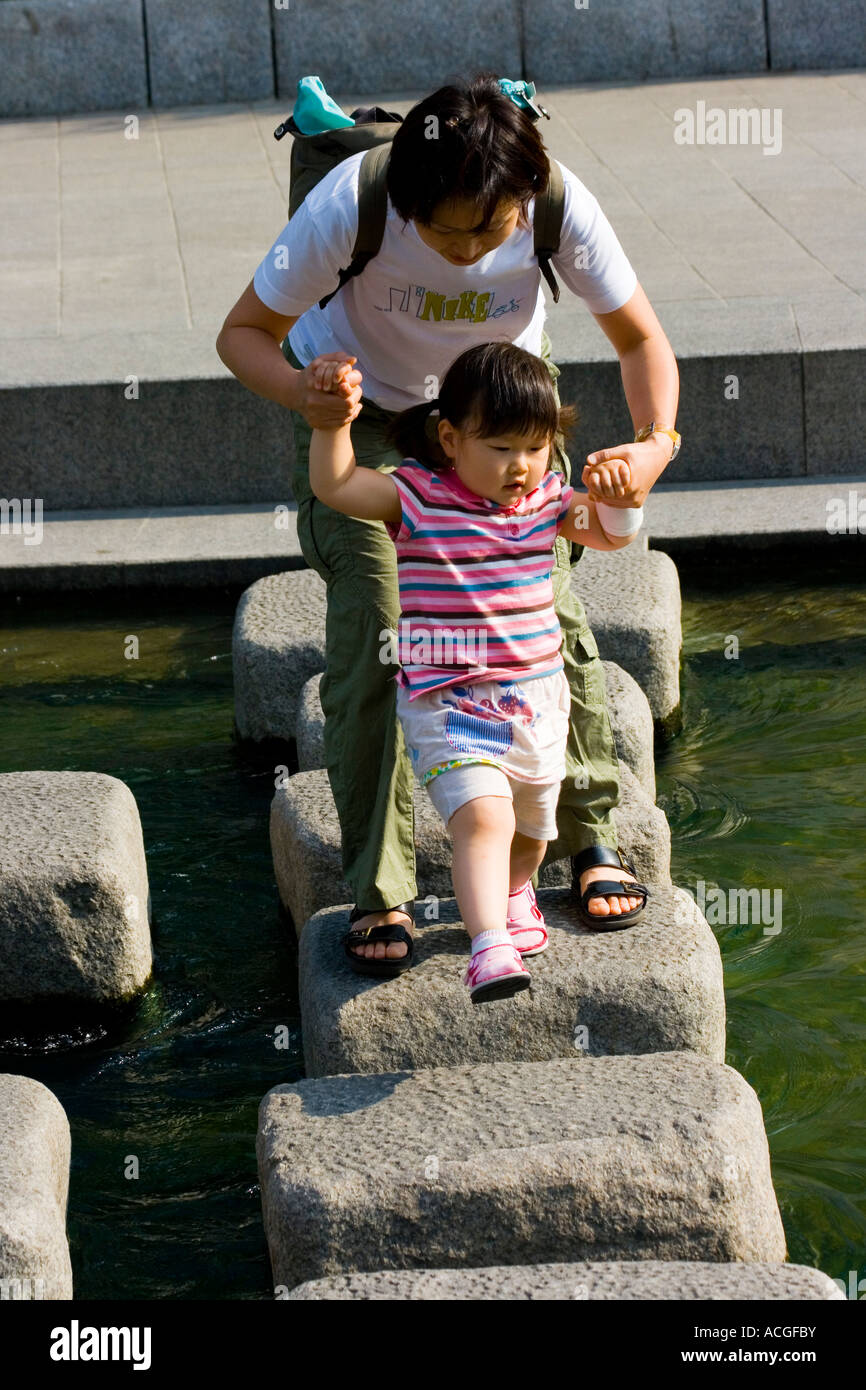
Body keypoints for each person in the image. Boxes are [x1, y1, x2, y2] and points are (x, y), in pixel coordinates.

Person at [216, 71, 680, 971]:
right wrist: (313, 403)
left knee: (548, 614)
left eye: (491, 228)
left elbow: (638, 338)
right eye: (446, 231)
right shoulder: (354, 202)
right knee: (380, 618)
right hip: (373, 428)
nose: (469, 251)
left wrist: (654, 445)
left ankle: (586, 836)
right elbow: (243, 333)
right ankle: (381, 886)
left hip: (502, 429)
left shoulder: (552, 202)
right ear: (408, 202)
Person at [308, 340, 648, 1001]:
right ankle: (488, 947)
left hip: (536, 702)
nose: (520, 466)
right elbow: (337, 485)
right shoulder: (418, 499)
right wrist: (331, 426)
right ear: (450, 438)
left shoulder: (548, 500)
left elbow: (610, 533)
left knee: (531, 837)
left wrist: (625, 495)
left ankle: (514, 890)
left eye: (534, 446)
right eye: (499, 447)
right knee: (484, 819)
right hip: (450, 700)